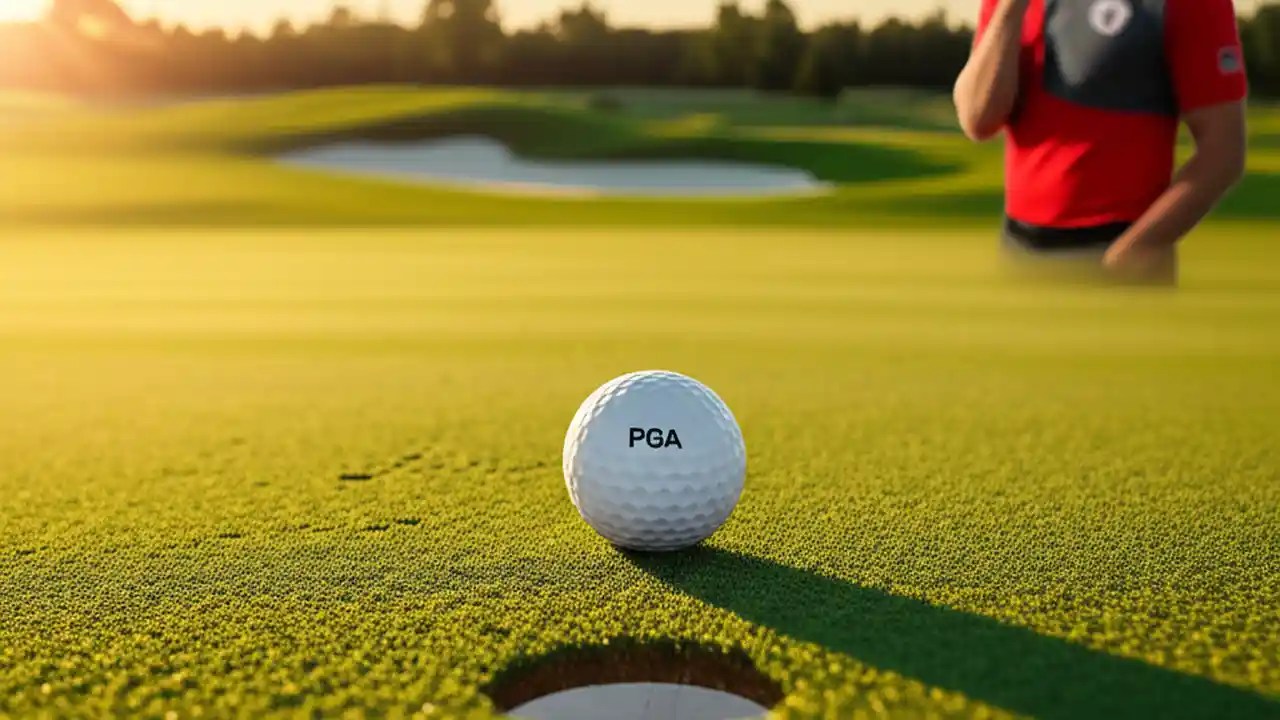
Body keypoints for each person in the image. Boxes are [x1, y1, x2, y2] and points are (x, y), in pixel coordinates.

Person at [954, 0, 1249, 285]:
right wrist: (1009, 8)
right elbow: (978, 119)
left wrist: (1134, 250)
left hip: (1117, 250)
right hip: (1018, 247)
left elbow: (1223, 151)